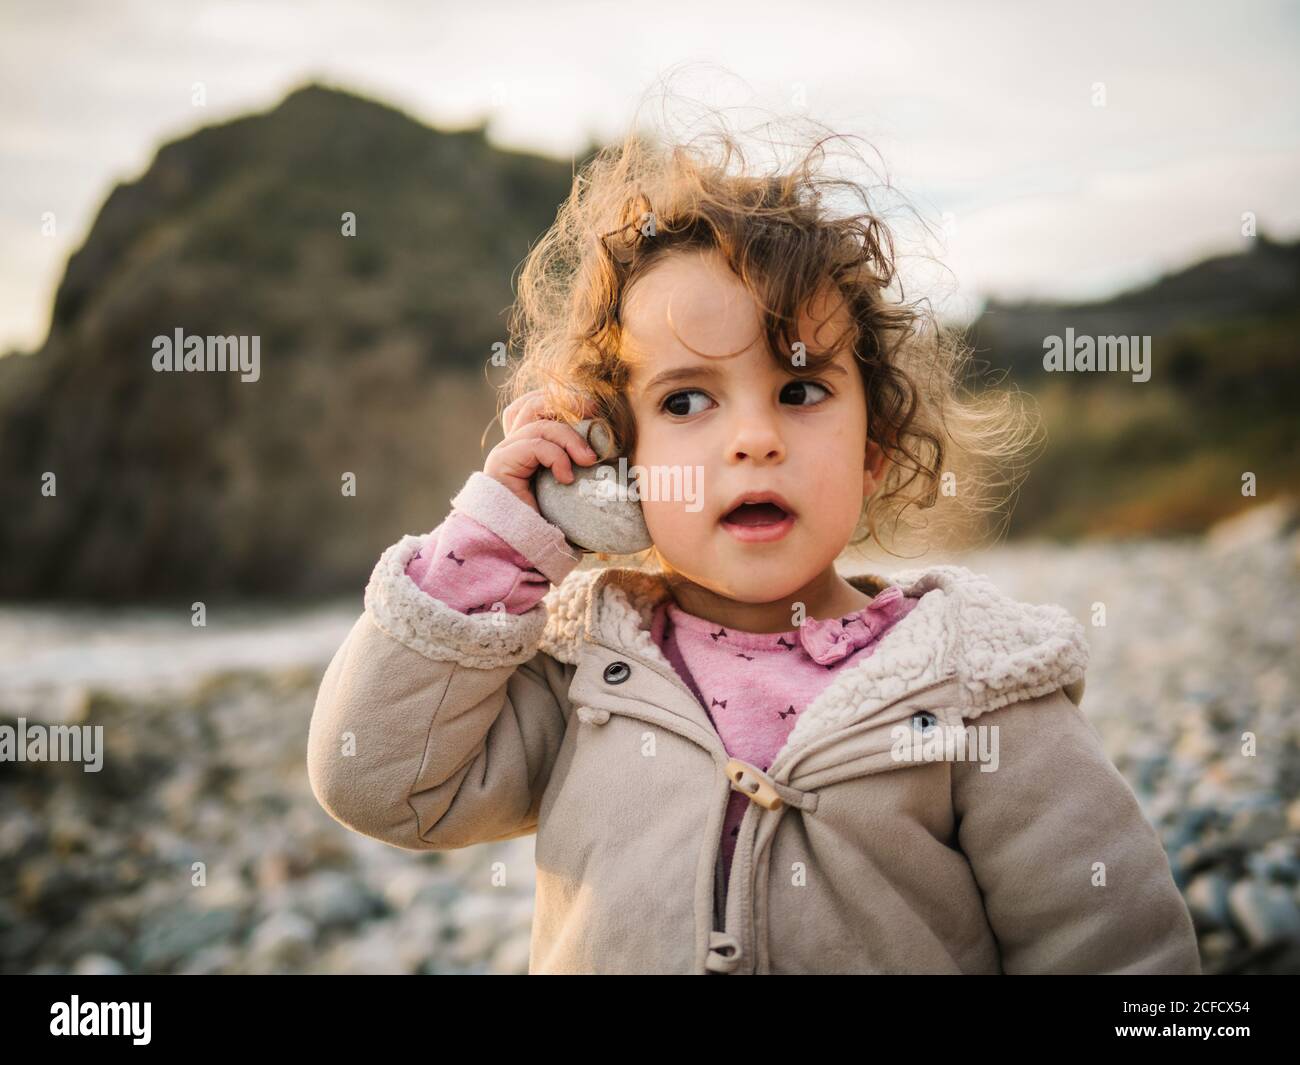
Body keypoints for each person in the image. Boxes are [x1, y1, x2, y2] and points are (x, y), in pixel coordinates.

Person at [307, 115, 1200, 975]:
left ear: (871, 453)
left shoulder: (981, 687)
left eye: (801, 391)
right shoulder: (579, 670)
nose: (753, 440)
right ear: (618, 463)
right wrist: (503, 532)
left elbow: (1116, 944)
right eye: (686, 402)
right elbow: (380, 782)